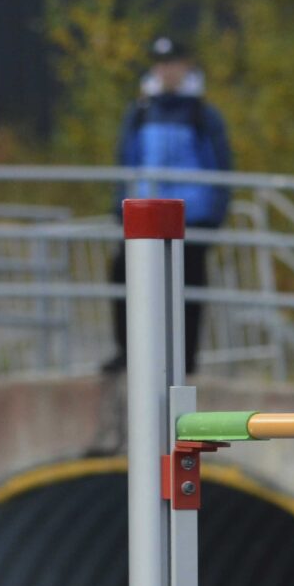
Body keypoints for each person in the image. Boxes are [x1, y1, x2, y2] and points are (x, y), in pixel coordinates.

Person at [107, 36, 233, 375]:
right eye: (160, 63)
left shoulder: (202, 115)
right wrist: (120, 209)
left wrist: (215, 216)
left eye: (172, 62)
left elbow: (221, 167)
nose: (165, 70)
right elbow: (128, 162)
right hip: (146, 215)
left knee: (187, 288)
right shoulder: (141, 112)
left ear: (185, 65)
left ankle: (186, 361)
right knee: (126, 279)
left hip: (192, 215)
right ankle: (128, 354)